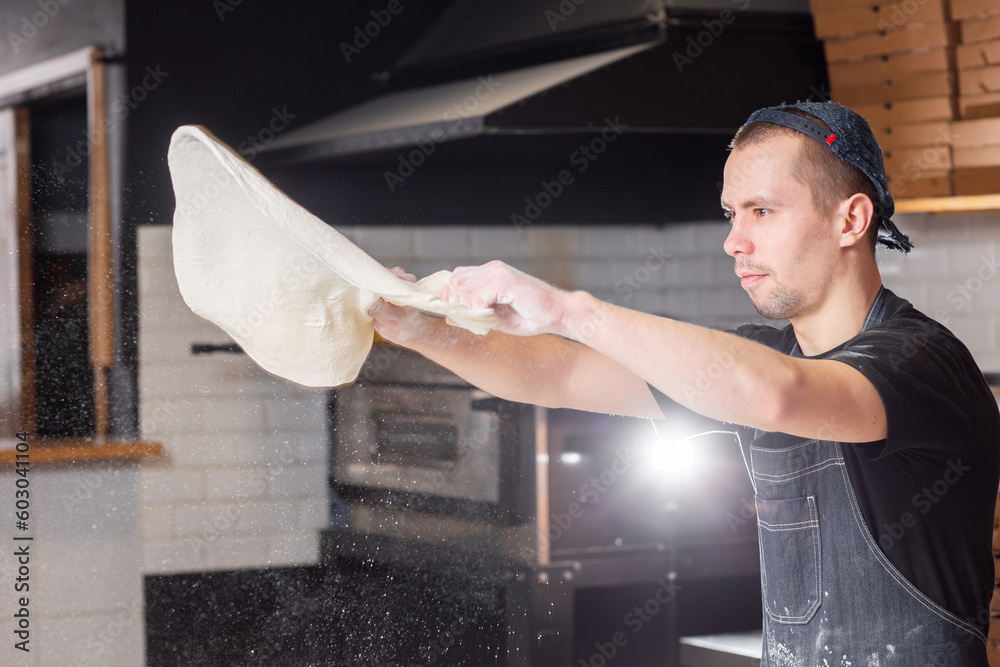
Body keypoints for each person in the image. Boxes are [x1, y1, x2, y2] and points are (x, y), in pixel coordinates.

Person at [368, 100, 1000, 665]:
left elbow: (783, 396)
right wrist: (420, 331)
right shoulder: (760, 359)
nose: (733, 240)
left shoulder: (920, 361)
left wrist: (572, 309)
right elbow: (557, 372)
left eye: (762, 211)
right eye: (731, 213)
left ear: (850, 220)